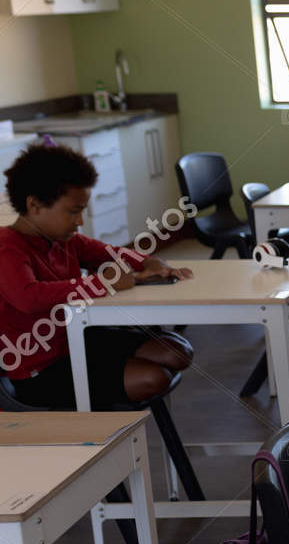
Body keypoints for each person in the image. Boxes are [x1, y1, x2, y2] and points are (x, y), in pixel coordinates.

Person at [1, 141, 193, 409]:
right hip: (38, 370)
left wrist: (151, 263)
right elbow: (29, 297)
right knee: (152, 378)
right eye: (73, 211)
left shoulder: (64, 239)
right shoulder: (7, 246)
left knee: (179, 353)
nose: (80, 221)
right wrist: (103, 283)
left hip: (77, 341)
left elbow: (111, 253)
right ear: (34, 205)